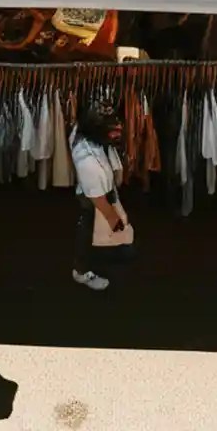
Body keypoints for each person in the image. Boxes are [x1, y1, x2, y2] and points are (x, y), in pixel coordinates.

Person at [70, 98, 132, 292]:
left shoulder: (87, 133)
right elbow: (98, 200)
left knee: (101, 225)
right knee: (88, 228)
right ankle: (81, 272)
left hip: (102, 186)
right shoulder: (87, 162)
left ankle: (108, 251)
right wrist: (117, 224)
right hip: (92, 196)